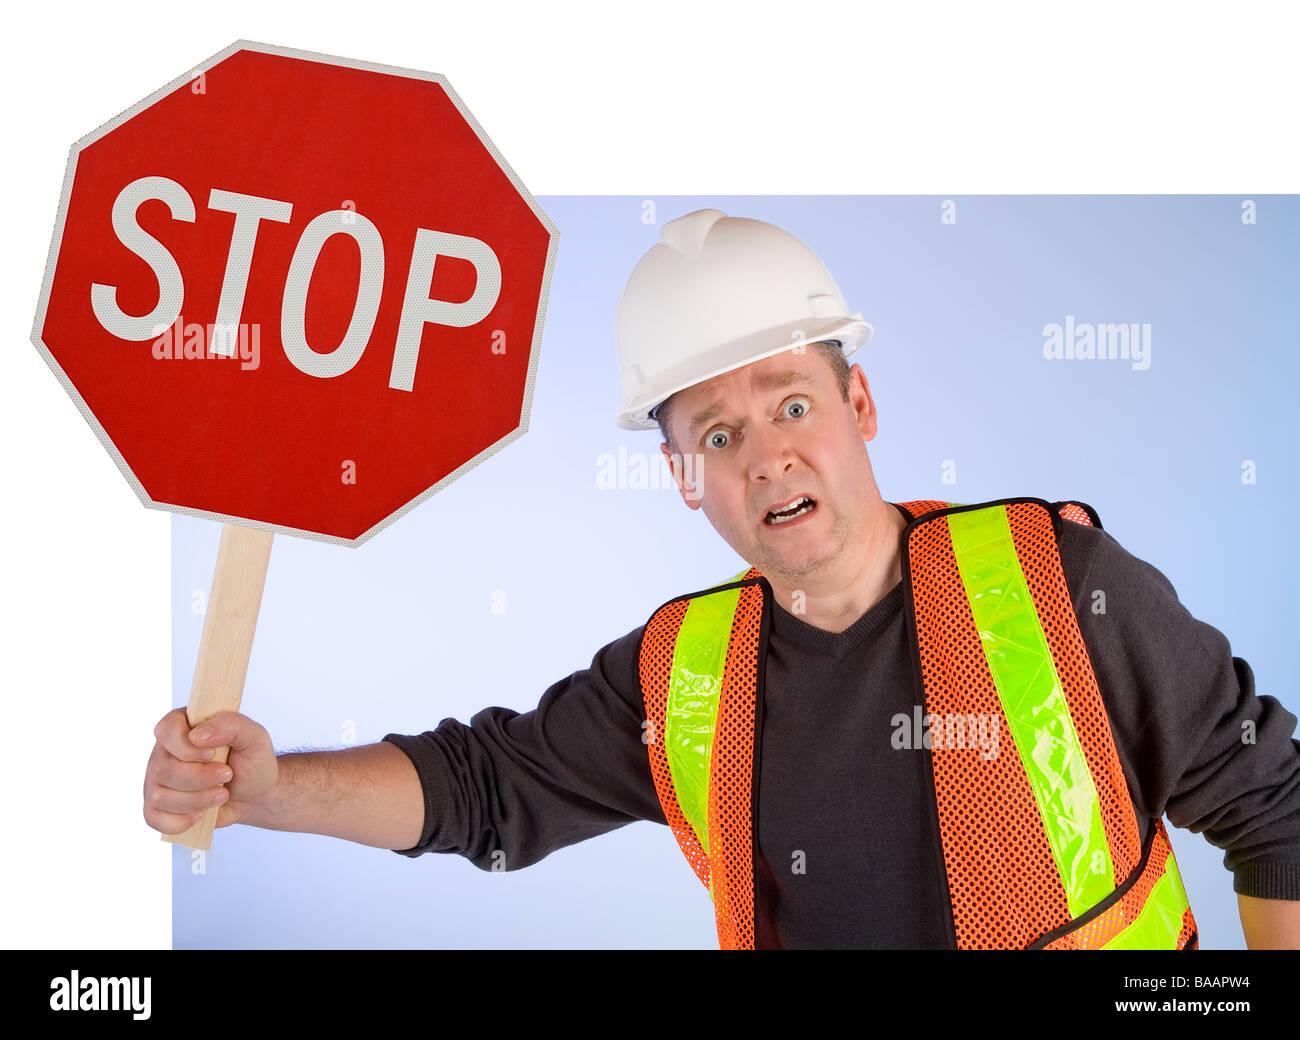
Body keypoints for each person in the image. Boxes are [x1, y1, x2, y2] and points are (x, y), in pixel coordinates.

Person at [143, 210, 1300, 949]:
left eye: (793, 403)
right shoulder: (681, 671)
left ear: (860, 406)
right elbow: (484, 787)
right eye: (717, 431)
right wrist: (260, 786)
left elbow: (1277, 809)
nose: (767, 454)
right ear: (683, 474)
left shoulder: (1061, 581)